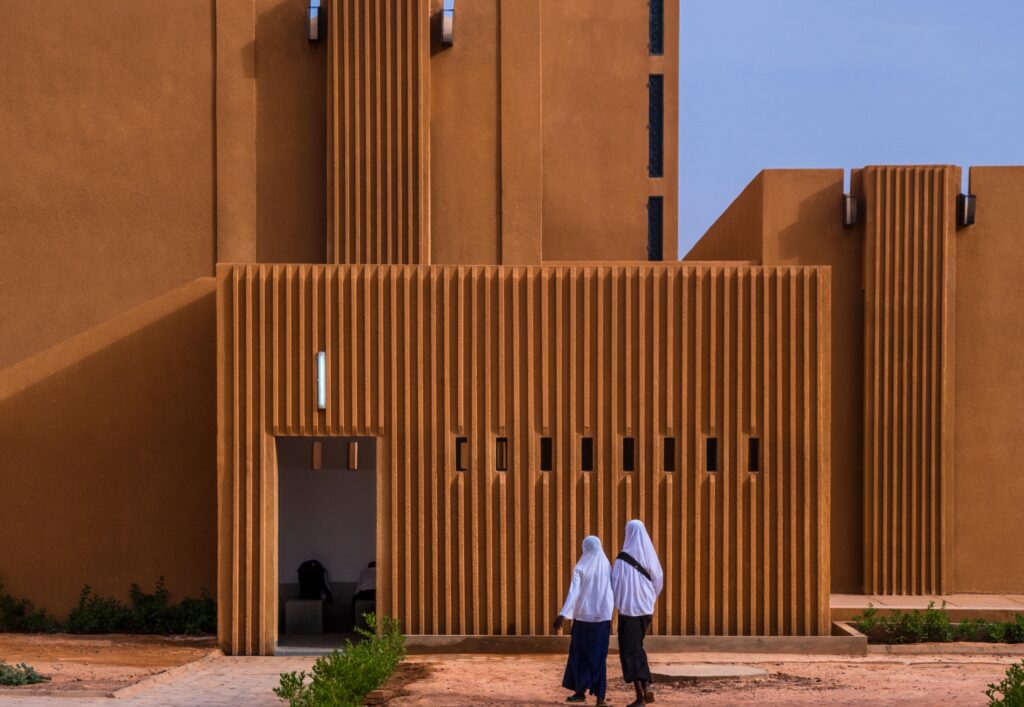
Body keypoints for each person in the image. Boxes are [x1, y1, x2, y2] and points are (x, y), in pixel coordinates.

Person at [554, 536, 614, 706]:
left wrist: (563, 614)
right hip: (603, 619)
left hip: (583, 620)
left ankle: (579, 692)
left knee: (579, 656)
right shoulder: (607, 566)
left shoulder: (581, 567)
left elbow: (574, 592)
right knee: (599, 658)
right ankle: (600, 698)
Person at [611, 520, 664, 707]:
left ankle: (640, 697)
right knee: (637, 648)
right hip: (645, 611)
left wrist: (619, 605)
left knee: (629, 652)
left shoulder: (621, 560)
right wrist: (649, 600)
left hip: (628, 612)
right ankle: (647, 685)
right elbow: (658, 580)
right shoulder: (650, 556)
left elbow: (615, 585)